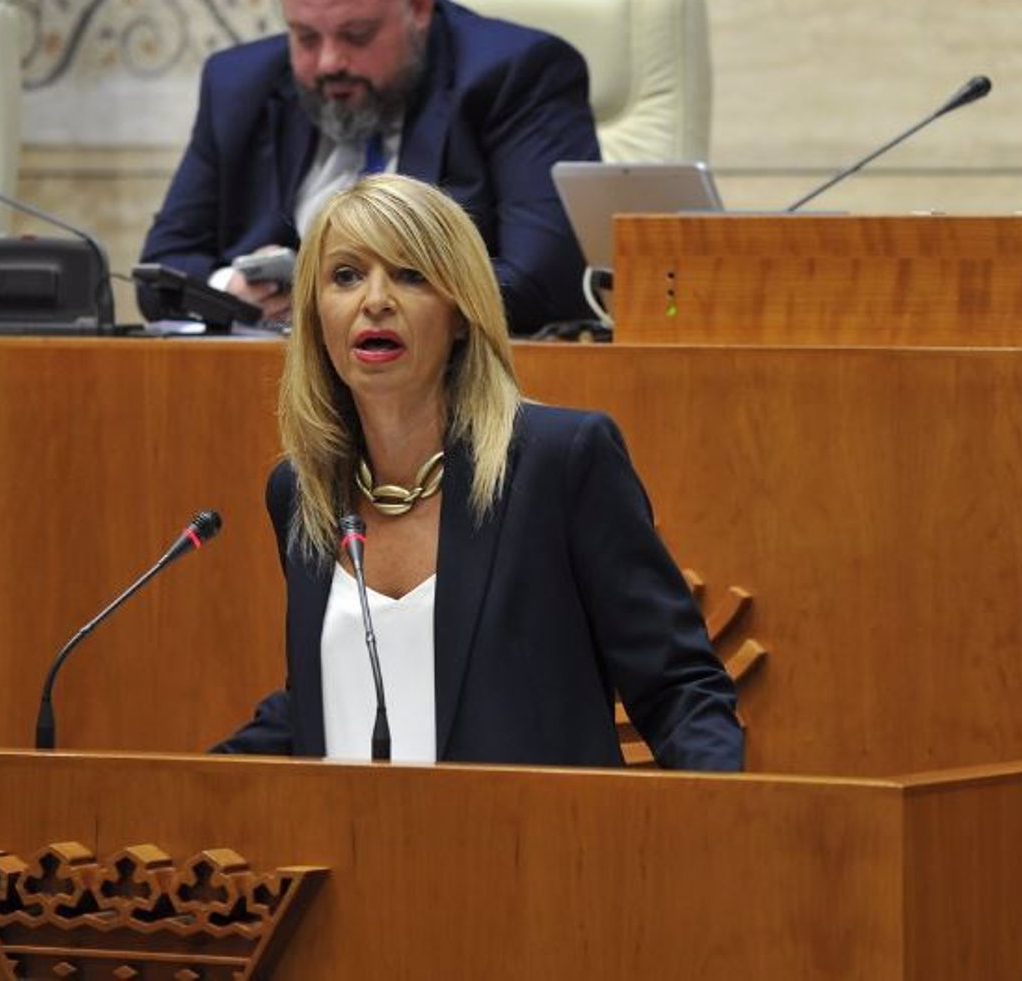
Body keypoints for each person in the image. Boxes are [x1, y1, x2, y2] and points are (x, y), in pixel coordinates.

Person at [215, 174, 744, 770]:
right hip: (349, 857)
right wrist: (172, 790)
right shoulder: (302, 492)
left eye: (411, 274)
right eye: (345, 276)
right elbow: (330, 693)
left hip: (533, 853)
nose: (376, 300)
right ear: (314, 314)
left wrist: (714, 834)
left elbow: (677, 686)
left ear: (462, 313)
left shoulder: (559, 464)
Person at [139, 0, 597, 334]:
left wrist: (330, 298)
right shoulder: (238, 86)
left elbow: (541, 282)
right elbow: (159, 273)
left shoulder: (516, 74)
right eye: (305, 38)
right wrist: (230, 293)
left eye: (356, 35)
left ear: (418, 8)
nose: (328, 63)